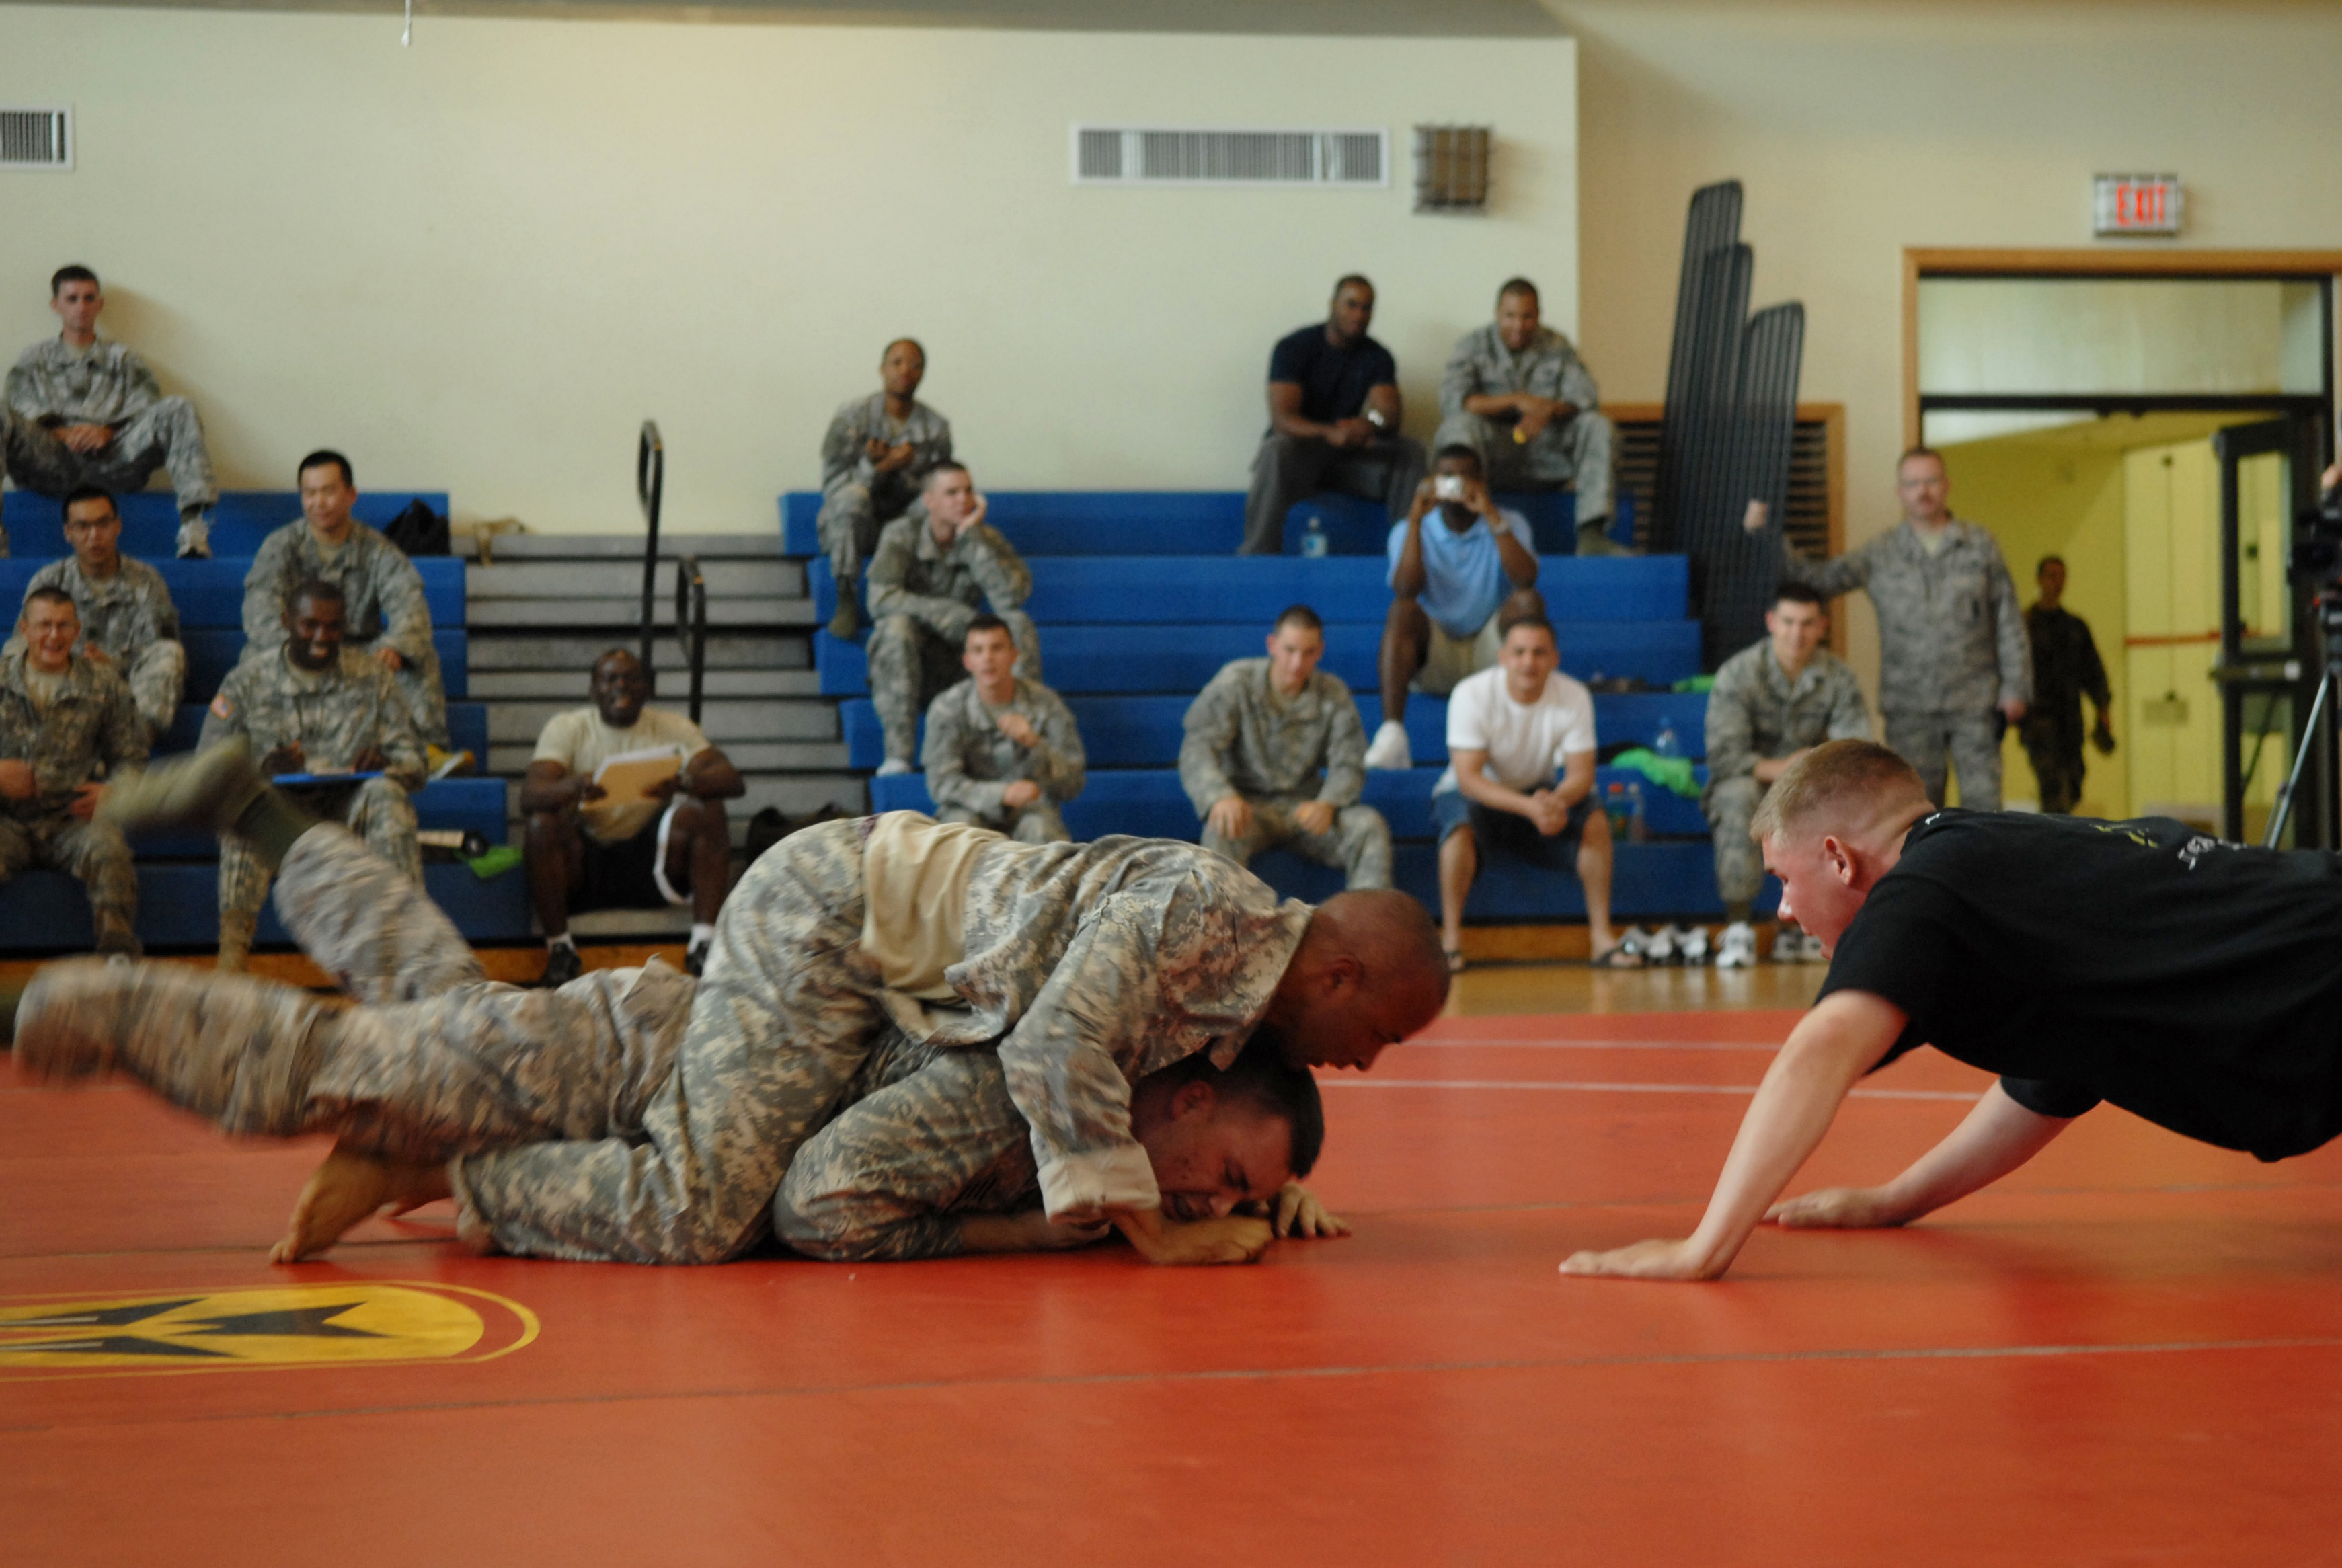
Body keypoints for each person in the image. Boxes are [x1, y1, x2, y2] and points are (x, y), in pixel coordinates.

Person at [40, 744, 1450, 1267]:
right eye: (1378, 1032)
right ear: (1332, 973)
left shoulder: (1241, 1004)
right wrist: (1142, 1221)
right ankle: (70, 1002)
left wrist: (1280, 1195)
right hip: (821, 923)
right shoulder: (1204, 916)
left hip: (741, 1005)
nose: (1370, 1062)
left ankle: (267, 819)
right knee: (692, 1201)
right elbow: (1063, 1039)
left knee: (434, 1005)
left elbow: (1247, 1111)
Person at [1561, 738, 2342, 1282]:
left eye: (1785, 880)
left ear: (1838, 856)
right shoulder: (1989, 875)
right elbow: (2051, 1075)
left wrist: (1704, 1246)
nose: (1786, 912)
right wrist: (1896, 1198)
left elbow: (1822, 1047)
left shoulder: (1926, 889)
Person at [1750, 447, 2029, 810]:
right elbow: (1816, 580)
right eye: (1912, 484)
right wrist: (1766, 535)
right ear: (1900, 491)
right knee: (1917, 810)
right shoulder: (1881, 552)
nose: (1922, 491)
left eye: (1930, 481)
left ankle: (1982, 870)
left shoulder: (1980, 546)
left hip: (1974, 701)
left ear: (1946, 486)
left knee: (1984, 808)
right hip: (1909, 705)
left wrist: (2016, 687)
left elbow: (2008, 618)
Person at [200, 579, 425, 972]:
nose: (323, 636)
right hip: (278, 819)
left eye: (334, 627)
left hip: (347, 815)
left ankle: (414, 952)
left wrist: (384, 764)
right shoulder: (247, 681)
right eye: (310, 625)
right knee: (243, 806)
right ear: (288, 621)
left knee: (388, 796)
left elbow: (415, 763)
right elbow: (207, 769)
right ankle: (231, 961)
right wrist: (261, 770)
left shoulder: (373, 678)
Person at [523, 648, 745, 986]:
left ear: (647, 687)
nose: (621, 686)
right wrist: (574, 786)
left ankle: (704, 943)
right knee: (542, 824)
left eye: (632, 678)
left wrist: (685, 782)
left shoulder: (673, 727)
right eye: (611, 678)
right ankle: (561, 950)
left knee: (708, 808)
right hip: (587, 866)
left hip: (652, 863)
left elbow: (732, 780)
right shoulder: (568, 727)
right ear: (593, 689)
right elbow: (530, 795)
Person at [1433, 615, 1627, 972]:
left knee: (1595, 819)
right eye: (1519, 652)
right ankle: (1450, 941)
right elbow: (1468, 779)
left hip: (1538, 796)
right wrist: (1531, 807)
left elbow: (1581, 775)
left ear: (1555, 658)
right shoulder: (1471, 694)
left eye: (1539, 653)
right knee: (1457, 827)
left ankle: (1602, 938)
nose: (1528, 662)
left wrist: (1556, 801)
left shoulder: (1573, 695)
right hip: (1479, 796)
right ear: (1503, 657)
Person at [1702, 582, 1871, 968]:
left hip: (1812, 786)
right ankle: (1740, 924)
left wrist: (1808, 774)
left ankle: (1818, 924)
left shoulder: (1838, 678)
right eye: (1789, 622)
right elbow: (1725, 758)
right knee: (1738, 795)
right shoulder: (1738, 674)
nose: (1798, 634)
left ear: (1822, 626)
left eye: (1808, 624)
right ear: (1771, 622)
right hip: (1753, 782)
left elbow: (1856, 751)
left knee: (1847, 799)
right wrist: (1787, 769)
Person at [2, 265, 217, 559]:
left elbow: (147, 406)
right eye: (72, 298)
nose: (81, 307)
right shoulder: (32, 360)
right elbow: (17, 407)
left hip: (114, 462)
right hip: (51, 463)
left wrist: (108, 430)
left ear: (100, 304)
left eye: (90, 298)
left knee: (179, 408)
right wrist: (62, 433)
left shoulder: (124, 360)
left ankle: (194, 528)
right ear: (56, 305)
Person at [243, 450, 451, 752]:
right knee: (254, 660)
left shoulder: (377, 550)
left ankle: (427, 753)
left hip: (360, 656)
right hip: (299, 649)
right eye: (309, 493)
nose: (319, 502)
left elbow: (410, 604)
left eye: (328, 491)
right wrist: (298, 653)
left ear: (351, 495)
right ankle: (270, 752)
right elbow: (260, 612)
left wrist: (394, 645)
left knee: (419, 658)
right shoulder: (280, 547)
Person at [1181, 604, 1390, 890]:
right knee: (1222, 828)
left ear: (1320, 652)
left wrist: (1329, 802)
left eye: (1308, 653)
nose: (1297, 663)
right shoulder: (1237, 682)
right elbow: (1197, 747)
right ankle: (1224, 930)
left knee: (1368, 826)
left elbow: (1349, 761)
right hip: (1246, 805)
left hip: (1306, 807)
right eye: (1290, 650)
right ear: (1272, 645)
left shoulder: (1333, 694)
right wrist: (1219, 796)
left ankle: (1368, 929)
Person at [1364, 444, 1545, 771]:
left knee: (1528, 602)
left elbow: (1526, 579)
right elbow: (1406, 589)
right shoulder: (1408, 530)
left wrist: (1491, 515)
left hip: (1492, 653)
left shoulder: (1510, 522)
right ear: (1432, 481)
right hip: (1436, 654)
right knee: (1401, 611)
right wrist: (1417, 521)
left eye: (1466, 477)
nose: (1457, 486)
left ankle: (1527, 730)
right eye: (1448, 477)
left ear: (1482, 481)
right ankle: (1393, 735)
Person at [866, 463, 1041, 775]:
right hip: (915, 663)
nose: (963, 500)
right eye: (952, 493)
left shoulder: (985, 539)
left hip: (967, 663)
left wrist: (971, 540)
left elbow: (1010, 599)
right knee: (895, 627)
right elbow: (880, 598)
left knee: (1016, 623)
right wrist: (946, 613)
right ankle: (899, 755)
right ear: (930, 500)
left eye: (968, 491)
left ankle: (1017, 744)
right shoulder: (902, 535)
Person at [1241, 276, 1428, 557]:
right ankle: (1257, 557)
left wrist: (1369, 423)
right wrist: (1330, 432)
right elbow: (1283, 419)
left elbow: (1388, 415)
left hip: (1350, 463)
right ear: (1332, 305)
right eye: (1351, 305)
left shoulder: (1377, 356)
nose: (1358, 315)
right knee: (1276, 448)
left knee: (1410, 451)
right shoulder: (1294, 348)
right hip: (1299, 461)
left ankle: (1407, 557)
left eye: (1366, 308)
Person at [0, 587, 143, 955]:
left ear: (78, 631)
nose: (54, 636)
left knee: (110, 849)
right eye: (44, 625)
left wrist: (115, 792)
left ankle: (117, 952)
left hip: (72, 818)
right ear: (23, 630)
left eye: (64, 626)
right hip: (6, 818)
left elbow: (130, 756)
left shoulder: (104, 684)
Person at [1435, 277, 1622, 557]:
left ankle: (1591, 534)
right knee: (1458, 427)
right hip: (1493, 453)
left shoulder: (1557, 345)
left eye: (1527, 317)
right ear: (1498, 314)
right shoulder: (1473, 345)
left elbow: (1585, 399)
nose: (1519, 326)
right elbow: (1454, 401)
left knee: (1598, 426)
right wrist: (1516, 401)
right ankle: (1464, 527)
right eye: (1510, 316)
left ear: (1538, 316)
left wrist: (1546, 410)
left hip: (1547, 450)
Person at [15, 486, 184, 746]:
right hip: (65, 684)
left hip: (124, 689)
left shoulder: (147, 581)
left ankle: (134, 748)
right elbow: (20, 647)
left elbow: (156, 647)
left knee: (169, 653)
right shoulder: (48, 580)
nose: (94, 536)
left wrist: (113, 665)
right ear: (68, 533)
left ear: (118, 526)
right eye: (82, 526)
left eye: (103, 524)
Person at [816, 339, 953, 640]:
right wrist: (878, 469)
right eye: (897, 363)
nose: (905, 371)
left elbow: (940, 490)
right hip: (853, 529)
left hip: (902, 530)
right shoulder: (852, 416)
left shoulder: (936, 428)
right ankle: (846, 596)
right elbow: (834, 486)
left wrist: (906, 471)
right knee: (853, 498)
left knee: (935, 507)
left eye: (915, 365)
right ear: (882, 369)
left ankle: (925, 596)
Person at [921, 615, 1085, 843]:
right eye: (978, 651)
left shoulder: (1046, 705)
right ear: (967, 661)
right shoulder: (947, 709)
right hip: (970, 809)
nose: (988, 658)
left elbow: (1073, 785)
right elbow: (940, 784)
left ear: (1013, 655)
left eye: (997, 648)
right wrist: (1002, 794)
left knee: (1040, 828)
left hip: (1030, 812)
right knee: (960, 830)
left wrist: (1034, 743)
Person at [2021, 555, 2114, 815]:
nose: (2057, 582)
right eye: (2051, 575)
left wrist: (2103, 710)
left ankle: (2055, 837)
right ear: (2040, 580)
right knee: (2052, 788)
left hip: (2070, 722)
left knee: (2074, 784)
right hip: (2039, 721)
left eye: (2061, 576)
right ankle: (2053, 845)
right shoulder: (2025, 626)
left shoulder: (2075, 627)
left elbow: (2093, 672)